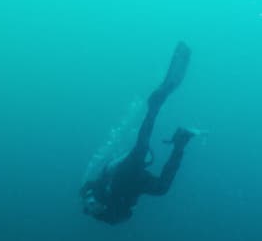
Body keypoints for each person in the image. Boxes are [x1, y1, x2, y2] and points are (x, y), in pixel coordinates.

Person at [81, 42, 194, 224]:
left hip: (122, 173)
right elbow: (124, 216)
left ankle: (154, 106)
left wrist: (91, 195)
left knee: (141, 148)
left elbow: (90, 184)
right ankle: (180, 143)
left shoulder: (94, 192)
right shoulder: (108, 215)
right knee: (161, 188)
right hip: (134, 184)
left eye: (91, 204)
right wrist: (106, 208)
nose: (94, 206)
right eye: (92, 208)